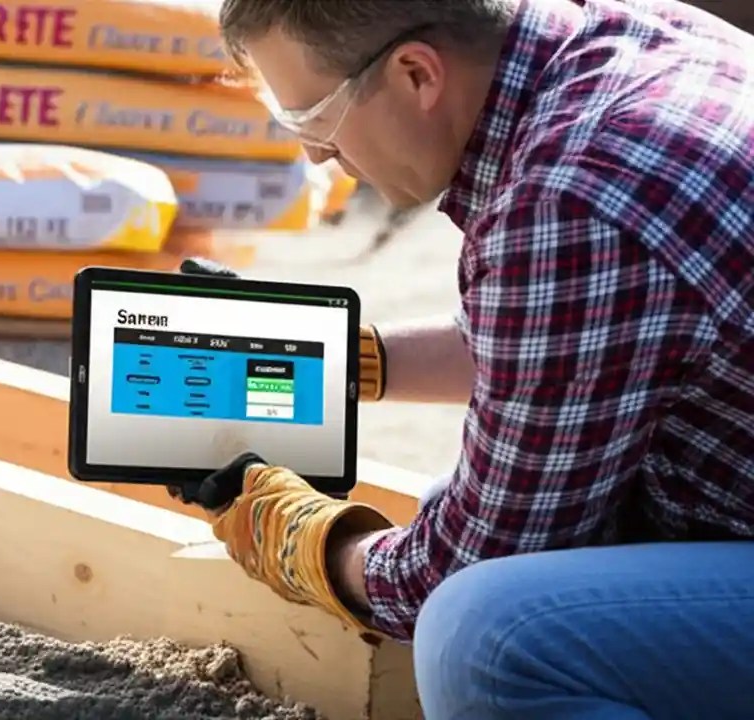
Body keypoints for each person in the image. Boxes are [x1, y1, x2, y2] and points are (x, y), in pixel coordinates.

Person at [177, 1, 754, 718]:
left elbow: (450, 573)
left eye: (313, 120)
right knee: (457, 512)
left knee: (481, 633)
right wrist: (322, 362)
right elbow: (566, 344)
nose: (315, 155)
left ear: (417, 73)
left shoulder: (569, 205)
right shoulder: (632, 44)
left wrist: (306, 541)